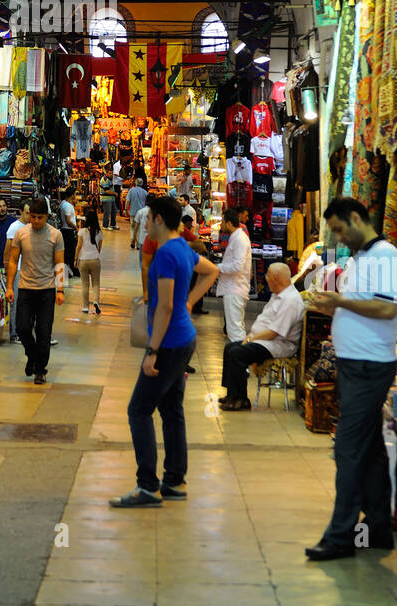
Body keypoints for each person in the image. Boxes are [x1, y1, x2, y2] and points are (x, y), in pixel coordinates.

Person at [305, 197, 397, 561]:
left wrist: (340, 303)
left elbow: (388, 307)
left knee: (347, 449)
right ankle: (378, 527)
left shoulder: (387, 256)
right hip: (355, 364)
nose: (338, 238)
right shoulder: (362, 258)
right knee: (370, 449)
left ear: (354, 218)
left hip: (369, 366)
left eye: (338, 229)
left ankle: (341, 536)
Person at [110, 194, 218, 507]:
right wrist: (190, 301)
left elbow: (166, 306)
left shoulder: (167, 254)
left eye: (148, 218)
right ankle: (175, 481)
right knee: (172, 411)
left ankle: (147, 486)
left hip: (169, 343)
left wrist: (152, 350)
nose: (144, 223)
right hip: (184, 339)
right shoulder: (183, 247)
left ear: (158, 219)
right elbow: (212, 271)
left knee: (138, 410)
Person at [220, 262, 305, 410]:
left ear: (276, 278)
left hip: (278, 344)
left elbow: (275, 332)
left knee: (237, 353)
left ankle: (240, 399)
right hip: (266, 341)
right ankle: (232, 394)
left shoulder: (291, 300)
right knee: (229, 348)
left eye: (268, 275)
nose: (266, 279)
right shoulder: (278, 295)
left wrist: (251, 339)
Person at [6, 198, 65, 385]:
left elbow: (59, 263)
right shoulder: (21, 234)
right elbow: (13, 260)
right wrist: (9, 286)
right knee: (22, 328)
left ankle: (40, 370)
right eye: (32, 217)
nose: (36, 221)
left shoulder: (56, 235)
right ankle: (32, 356)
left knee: (44, 332)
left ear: (46, 216)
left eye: (40, 217)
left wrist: (60, 289)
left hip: (47, 290)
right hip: (25, 288)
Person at [215, 207, 252, 343]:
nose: (221, 225)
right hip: (233, 288)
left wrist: (216, 268)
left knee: (235, 331)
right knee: (235, 328)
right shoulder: (236, 237)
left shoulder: (240, 239)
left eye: (222, 222)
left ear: (229, 223)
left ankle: (240, 355)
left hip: (235, 288)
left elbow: (237, 266)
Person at [4, 200, 32, 342]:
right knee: (16, 302)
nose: (29, 216)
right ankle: (14, 334)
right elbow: (7, 252)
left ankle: (26, 332)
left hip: (29, 270)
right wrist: (7, 270)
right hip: (17, 269)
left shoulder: (32, 227)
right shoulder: (14, 228)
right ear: (21, 212)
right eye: (27, 213)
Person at [76, 208, 103, 315]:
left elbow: (78, 246)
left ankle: (85, 307)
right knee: (96, 283)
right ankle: (96, 301)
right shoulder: (99, 233)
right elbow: (99, 249)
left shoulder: (82, 231)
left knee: (84, 284)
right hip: (95, 259)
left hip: (83, 260)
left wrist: (75, 258)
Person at [59, 185, 78, 276]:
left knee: (67, 252)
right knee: (70, 252)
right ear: (72, 195)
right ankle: (72, 270)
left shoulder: (63, 203)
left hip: (65, 230)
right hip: (68, 231)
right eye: (75, 194)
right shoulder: (68, 206)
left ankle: (68, 271)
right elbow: (68, 220)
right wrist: (76, 227)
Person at [125, 176, 148, 248]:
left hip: (133, 212)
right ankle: (138, 244)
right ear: (142, 183)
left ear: (135, 183)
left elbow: (127, 201)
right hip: (141, 213)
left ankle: (132, 240)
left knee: (133, 227)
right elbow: (147, 203)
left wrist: (126, 209)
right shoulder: (145, 192)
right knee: (140, 228)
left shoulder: (131, 191)